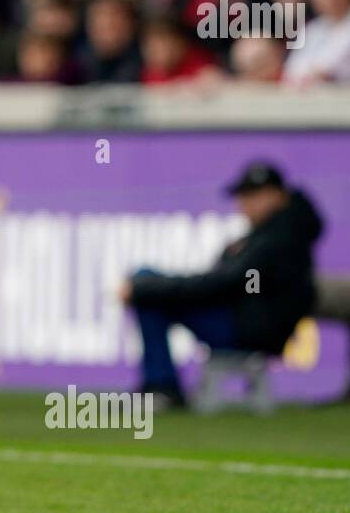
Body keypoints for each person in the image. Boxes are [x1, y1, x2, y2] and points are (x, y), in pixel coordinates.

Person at [119, 161, 324, 407]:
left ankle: (162, 387)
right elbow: (232, 280)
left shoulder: (278, 239)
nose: (243, 205)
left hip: (250, 331)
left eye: (252, 196)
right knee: (149, 288)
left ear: (275, 196)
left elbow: (224, 283)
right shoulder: (270, 234)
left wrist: (146, 287)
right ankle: (161, 385)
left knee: (147, 287)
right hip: (247, 322)